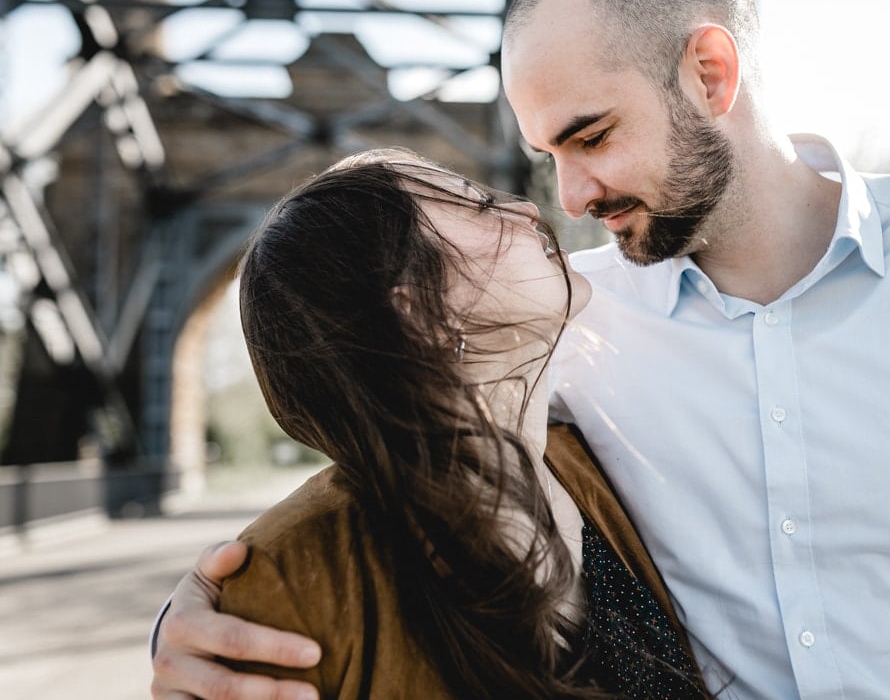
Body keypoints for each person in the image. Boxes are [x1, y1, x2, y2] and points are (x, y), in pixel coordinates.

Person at [151, 0, 890, 700]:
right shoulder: (561, 327)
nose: (567, 198)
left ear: (711, 73)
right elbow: (391, 436)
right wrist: (198, 618)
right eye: (545, 158)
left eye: (592, 135)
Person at [155, 147, 710, 700]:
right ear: (419, 313)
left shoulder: (588, 463)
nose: (528, 209)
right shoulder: (295, 580)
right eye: (482, 208)